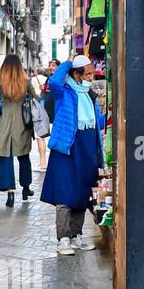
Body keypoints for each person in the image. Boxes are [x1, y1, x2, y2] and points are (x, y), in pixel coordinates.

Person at [40, 54, 103, 254]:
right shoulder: (63, 91)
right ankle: (63, 239)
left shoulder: (89, 95)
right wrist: (69, 61)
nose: (92, 77)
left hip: (87, 148)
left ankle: (76, 236)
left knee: (83, 192)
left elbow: (95, 123)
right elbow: (55, 80)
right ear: (76, 74)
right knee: (65, 193)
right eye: (88, 74)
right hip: (68, 147)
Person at [0, 55, 35, 206]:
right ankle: (26, 187)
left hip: (3, 122)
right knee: (24, 156)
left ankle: (10, 193)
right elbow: (35, 99)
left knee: (4, 156)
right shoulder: (26, 82)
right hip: (22, 123)